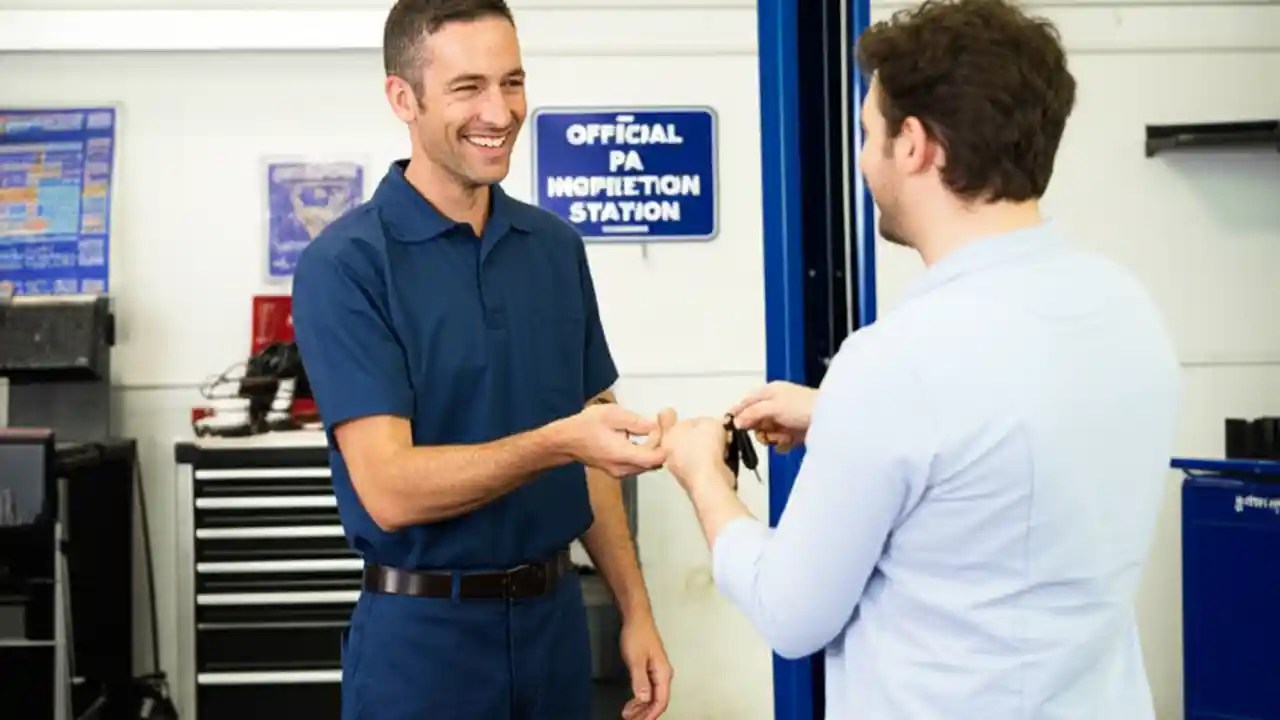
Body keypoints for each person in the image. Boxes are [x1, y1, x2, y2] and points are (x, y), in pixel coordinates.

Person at [655, 0, 1182, 717]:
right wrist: (842, 421)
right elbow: (1015, 444)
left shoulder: (896, 363)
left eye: (868, 133)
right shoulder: (1127, 309)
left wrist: (703, 478)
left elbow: (791, 611)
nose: (865, 158)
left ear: (915, 146)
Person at [289, 1, 673, 719]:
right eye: (468, 88)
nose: (499, 111)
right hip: (421, 644)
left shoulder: (554, 250)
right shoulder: (345, 266)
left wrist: (636, 609)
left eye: (513, 82)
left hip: (553, 630)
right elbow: (391, 490)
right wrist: (558, 441)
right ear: (403, 97)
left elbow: (593, 454)